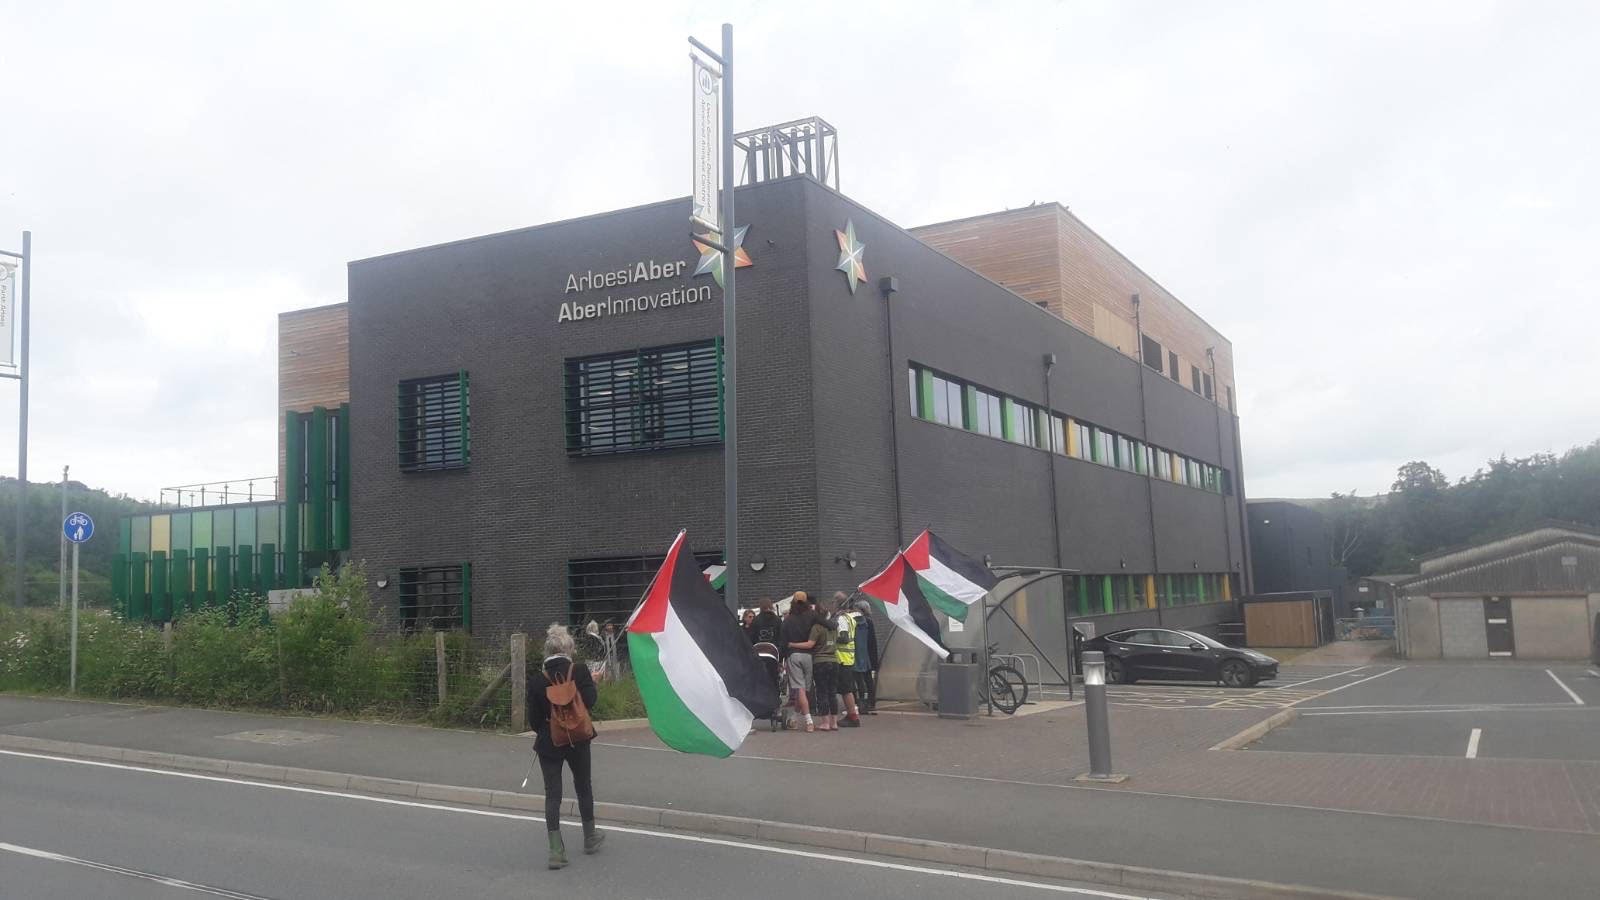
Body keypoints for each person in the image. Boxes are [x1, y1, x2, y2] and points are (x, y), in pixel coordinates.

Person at [527, 623, 602, 869]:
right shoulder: (578, 671)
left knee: (553, 795)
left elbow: (534, 721)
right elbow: (590, 701)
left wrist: (550, 729)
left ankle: (556, 851)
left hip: (550, 742)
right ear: (568, 648)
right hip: (578, 739)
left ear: (547, 650)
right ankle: (590, 837)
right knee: (583, 785)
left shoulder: (538, 680)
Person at [783, 592, 817, 732]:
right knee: (804, 690)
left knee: (799, 689)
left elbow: (783, 642)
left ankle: (809, 721)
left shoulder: (788, 620)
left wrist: (782, 660)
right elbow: (830, 624)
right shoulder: (811, 617)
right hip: (808, 656)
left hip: (794, 655)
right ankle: (795, 718)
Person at [808, 598, 842, 731]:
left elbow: (811, 644)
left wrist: (792, 644)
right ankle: (834, 722)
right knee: (832, 692)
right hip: (834, 661)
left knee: (822, 692)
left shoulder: (816, 628)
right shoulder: (834, 627)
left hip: (820, 661)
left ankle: (825, 722)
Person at [832, 592, 861, 727]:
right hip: (848, 657)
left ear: (838, 604)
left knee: (846, 689)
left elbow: (843, 638)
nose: (832, 604)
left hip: (842, 658)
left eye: (834, 602)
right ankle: (852, 714)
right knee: (846, 689)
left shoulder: (842, 619)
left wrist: (831, 640)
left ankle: (853, 717)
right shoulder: (850, 618)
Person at [852, 599, 880, 714]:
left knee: (861, 679)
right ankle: (871, 702)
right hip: (868, 655)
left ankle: (863, 703)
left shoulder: (861, 622)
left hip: (862, 654)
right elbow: (873, 641)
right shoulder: (869, 621)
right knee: (868, 679)